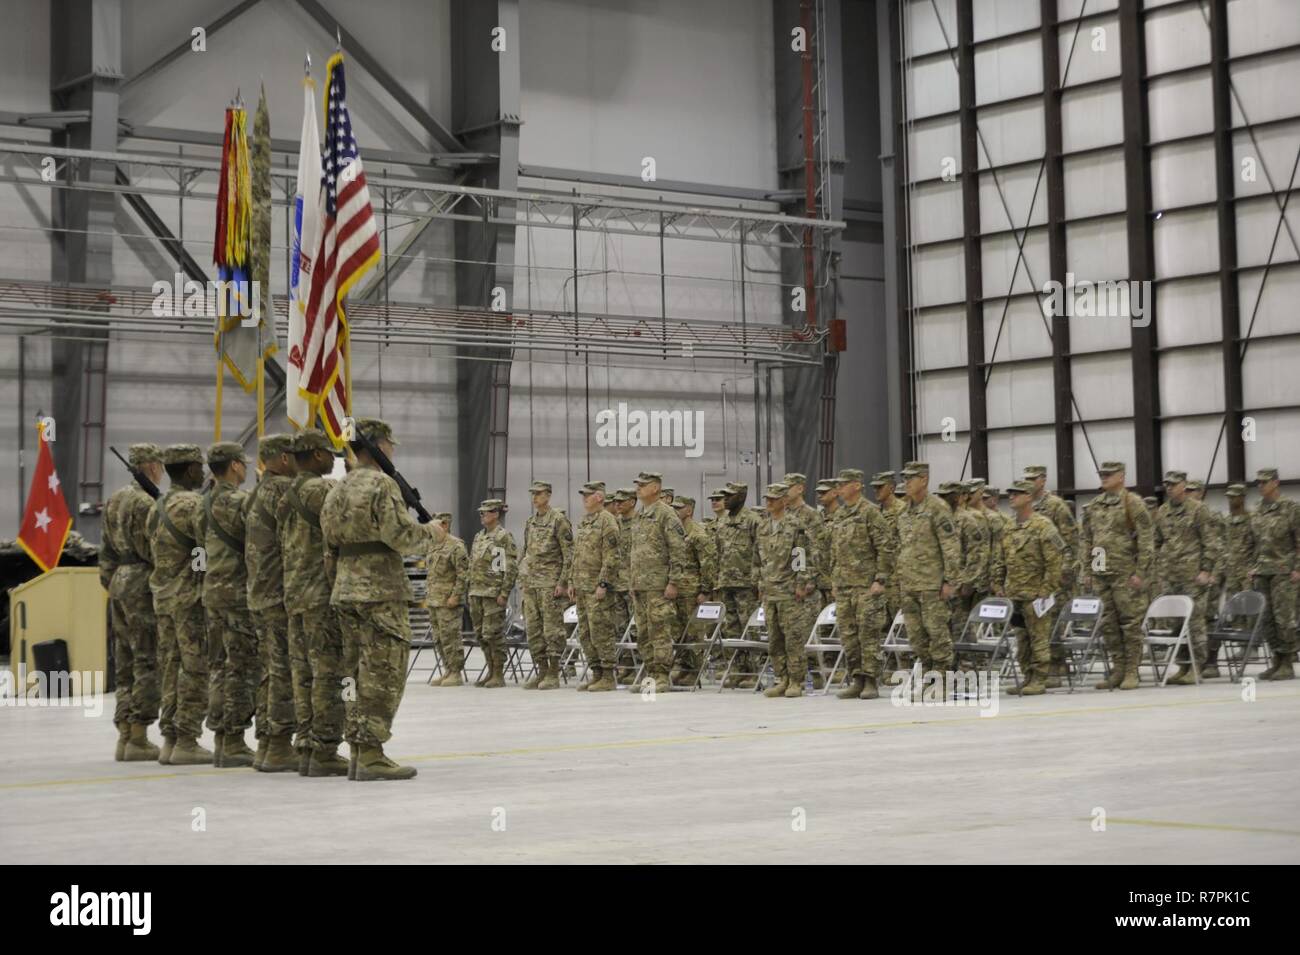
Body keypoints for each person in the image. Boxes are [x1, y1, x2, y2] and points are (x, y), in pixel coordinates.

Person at [320, 418, 444, 781]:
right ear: (377, 446)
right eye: (389, 444)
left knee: (355, 673)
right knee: (383, 672)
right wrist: (432, 533)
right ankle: (371, 752)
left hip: (345, 589)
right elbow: (400, 535)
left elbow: (329, 548)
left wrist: (340, 583)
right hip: (380, 591)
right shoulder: (381, 484)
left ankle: (358, 747)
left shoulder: (336, 490)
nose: (392, 450)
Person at [146, 444, 210, 765]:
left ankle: (170, 737)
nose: (204, 472)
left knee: (171, 666)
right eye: (200, 467)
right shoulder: (193, 505)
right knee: (195, 667)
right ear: (189, 470)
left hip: (164, 597)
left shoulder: (157, 506)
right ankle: (187, 739)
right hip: (189, 599)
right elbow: (204, 552)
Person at [100, 443, 164, 761]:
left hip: (118, 583)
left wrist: (111, 582)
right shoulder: (144, 503)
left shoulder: (114, 500)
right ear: (151, 466)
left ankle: (124, 733)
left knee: (124, 662)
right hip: (142, 583)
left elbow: (105, 552)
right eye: (160, 466)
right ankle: (139, 734)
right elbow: (153, 549)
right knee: (147, 659)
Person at [198, 441, 258, 768]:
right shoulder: (242, 502)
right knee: (242, 668)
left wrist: (206, 578)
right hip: (239, 595)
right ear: (234, 466)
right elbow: (257, 546)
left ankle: (221, 738)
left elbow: (198, 553)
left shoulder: (201, 504)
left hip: (212, 593)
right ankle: (234, 740)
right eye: (243, 463)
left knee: (218, 666)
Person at [243, 433, 296, 771]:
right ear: (283, 459)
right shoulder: (282, 492)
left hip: (259, 591)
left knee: (268, 669)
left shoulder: (255, 493)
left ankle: (265, 741)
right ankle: (277, 746)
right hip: (279, 593)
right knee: (283, 671)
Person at [1080, 461, 1154, 690]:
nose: (1104, 477)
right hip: (1102, 573)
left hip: (1125, 573)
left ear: (1121, 476)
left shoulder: (1133, 503)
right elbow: (1086, 540)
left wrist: (1141, 572)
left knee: (1130, 622)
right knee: (1108, 624)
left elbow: (1146, 540)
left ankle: (1132, 671)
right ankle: (1118, 668)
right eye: (1102, 474)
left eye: (1109, 474)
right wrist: (1087, 569)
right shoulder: (1093, 506)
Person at [995, 482, 1067, 695]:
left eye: (1016, 494)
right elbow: (1001, 558)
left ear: (1028, 497)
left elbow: (1055, 561)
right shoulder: (1008, 526)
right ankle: (1027, 676)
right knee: (1022, 639)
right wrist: (998, 582)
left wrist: (1046, 589)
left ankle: (1039, 679)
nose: (1011, 497)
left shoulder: (1043, 526)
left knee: (1038, 638)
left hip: (1036, 594)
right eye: (1010, 494)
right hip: (1014, 593)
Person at [829, 468, 894, 699]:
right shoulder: (840, 515)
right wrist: (834, 579)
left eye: (843, 484)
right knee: (848, 636)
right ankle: (856, 678)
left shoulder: (870, 512)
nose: (839, 489)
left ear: (856, 485)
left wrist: (880, 579)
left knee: (868, 634)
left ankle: (871, 681)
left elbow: (885, 547)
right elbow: (835, 550)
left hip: (867, 586)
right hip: (845, 585)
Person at [897, 462, 961, 690]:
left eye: (911, 479)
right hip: (910, 585)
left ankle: (942, 681)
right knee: (917, 637)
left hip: (932, 585)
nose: (906, 483)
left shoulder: (937, 508)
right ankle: (927, 678)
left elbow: (951, 546)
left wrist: (949, 581)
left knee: (937, 634)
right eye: (905, 479)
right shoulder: (904, 512)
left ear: (924, 480)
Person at [1152, 470, 1221, 684]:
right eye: (1167, 485)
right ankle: (1183, 666)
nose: (1169, 488)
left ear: (1184, 485)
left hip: (1193, 577)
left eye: (1173, 484)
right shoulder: (1163, 512)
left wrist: (1206, 570)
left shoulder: (1198, 510)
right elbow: (1157, 541)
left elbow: (1211, 542)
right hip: (1170, 576)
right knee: (1177, 623)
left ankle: (1197, 666)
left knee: (1194, 622)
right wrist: (1158, 565)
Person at [755, 483, 819, 697]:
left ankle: (796, 681)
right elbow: (758, 559)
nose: (769, 502)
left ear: (784, 500)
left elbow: (801, 557)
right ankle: (782, 678)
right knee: (774, 640)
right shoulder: (763, 527)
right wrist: (760, 584)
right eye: (767, 499)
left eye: (773, 499)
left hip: (789, 591)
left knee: (793, 638)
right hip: (770, 591)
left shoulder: (795, 526)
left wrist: (801, 584)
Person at [628, 471, 688, 692]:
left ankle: (662, 676)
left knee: (659, 631)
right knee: (643, 633)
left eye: (643, 485)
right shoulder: (639, 515)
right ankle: (650, 675)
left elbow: (678, 550)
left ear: (655, 488)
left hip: (659, 586)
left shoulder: (666, 515)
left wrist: (674, 582)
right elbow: (633, 551)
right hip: (640, 585)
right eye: (638, 485)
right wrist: (632, 582)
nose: (638, 489)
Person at [519, 480, 573, 690]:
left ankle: (553, 672)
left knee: (552, 630)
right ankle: (541, 670)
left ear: (548, 496)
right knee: (533, 630)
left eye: (539, 494)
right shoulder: (530, 522)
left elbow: (569, 554)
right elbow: (526, 551)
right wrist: (522, 577)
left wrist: (563, 581)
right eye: (533, 493)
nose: (535, 497)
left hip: (550, 584)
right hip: (531, 583)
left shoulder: (559, 521)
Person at [1248, 468, 1300, 681]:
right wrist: (1251, 566)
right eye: (1258, 482)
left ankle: (1287, 662)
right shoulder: (1256, 509)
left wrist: (1298, 568)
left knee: (1284, 618)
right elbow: (1253, 542)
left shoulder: (1291, 508)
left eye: (1265, 482)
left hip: (1284, 571)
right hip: (1262, 571)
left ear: (1276, 483)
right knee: (1267, 619)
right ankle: (1276, 660)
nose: (1260, 485)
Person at [568, 482, 621, 691]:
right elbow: (577, 553)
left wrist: (603, 583)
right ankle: (596, 672)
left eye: (588, 496)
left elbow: (612, 556)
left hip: (597, 588)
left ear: (599, 497)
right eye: (584, 496)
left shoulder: (607, 521)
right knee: (586, 633)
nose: (584, 499)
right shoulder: (585, 522)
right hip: (581, 587)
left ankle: (608, 676)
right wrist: (572, 580)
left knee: (601, 631)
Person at [715, 481, 762, 688]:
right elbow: (719, 551)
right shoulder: (723, 522)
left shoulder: (753, 520)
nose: (725, 499)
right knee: (730, 628)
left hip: (746, 584)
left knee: (749, 628)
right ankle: (736, 669)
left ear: (741, 496)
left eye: (730, 495)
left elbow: (761, 552)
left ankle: (753, 672)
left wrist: (759, 581)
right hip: (726, 582)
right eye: (724, 495)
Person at [1206, 483, 1254, 677]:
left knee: (1250, 611)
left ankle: (1252, 645)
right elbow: (1222, 547)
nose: (1231, 500)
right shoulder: (1226, 522)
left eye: (1234, 496)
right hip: (1230, 571)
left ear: (1242, 497)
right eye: (1229, 497)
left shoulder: (1252, 520)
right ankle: (1242, 645)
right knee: (1233, 612)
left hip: (1248, 571)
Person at [669, 495, 718, 685]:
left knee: (693, 631)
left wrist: (705, 590)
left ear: (688, 510)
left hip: (692, 591)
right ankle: (683, 666)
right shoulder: (674, 532)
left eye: (678, 508)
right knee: (678, 631)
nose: (674, 511)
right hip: (677, 590)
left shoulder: (698, 533)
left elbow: (708, 564)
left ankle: (695, 669)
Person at [468, 499, 517, 687]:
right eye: (481, 513)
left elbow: (509, 567)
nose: (482, 516)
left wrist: (504, 592)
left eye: (486, 512)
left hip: (492, 593)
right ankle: (490, 670)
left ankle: (498, 673)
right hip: (477, 592)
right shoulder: (479, 536)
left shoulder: (502, 537)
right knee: (481, 634)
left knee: (493, 634)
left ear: (496, 514)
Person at [427, 512, 469, 687]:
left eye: (435, 525)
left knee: (451, 636)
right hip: (434, 599)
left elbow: (463, 574)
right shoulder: (433, 545)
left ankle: (456, 672)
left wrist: (456, 595)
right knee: (439, 637)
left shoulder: (456, 546)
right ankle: (447, 669)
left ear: (444, 525)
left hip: (448, 600)